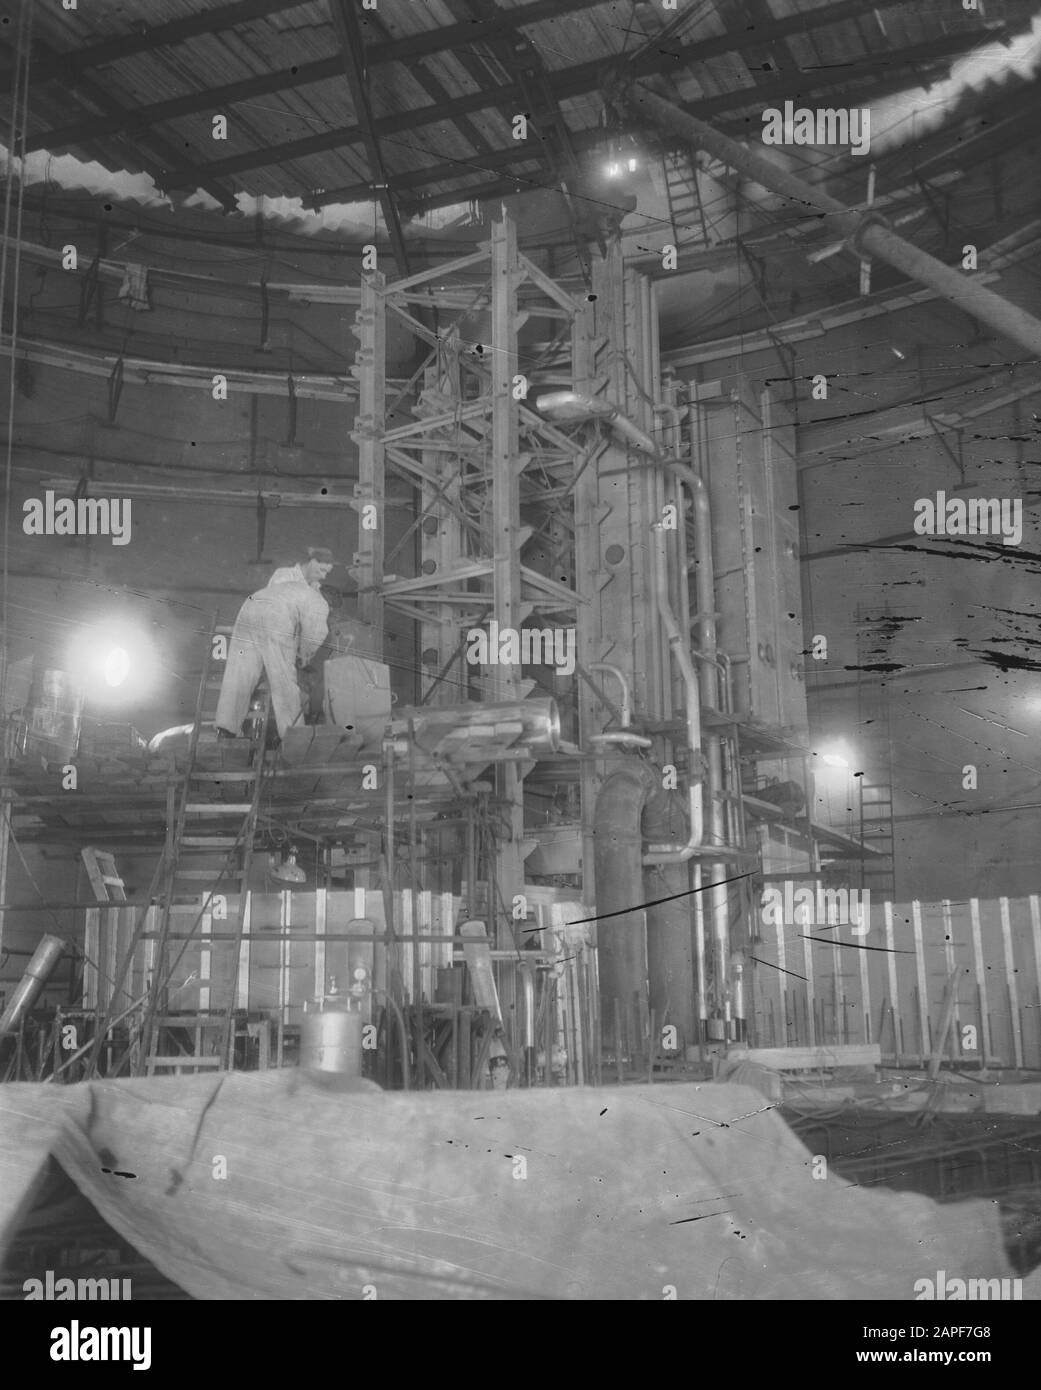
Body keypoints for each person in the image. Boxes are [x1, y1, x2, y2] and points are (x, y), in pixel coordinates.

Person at [215, 580, 329, 740]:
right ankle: (294, 737)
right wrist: (304, 656)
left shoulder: (295, 589)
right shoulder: (320, 603)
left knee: (239, 672)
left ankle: (226, 729)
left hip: (250, 605)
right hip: (275, 614)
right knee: (283, 680)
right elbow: (315, 635)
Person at [268, 547, 335, 591]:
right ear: (312, 562)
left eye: (327, 573)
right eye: (322, 570)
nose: (324, 576)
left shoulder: (316, 586)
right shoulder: (284, 575)